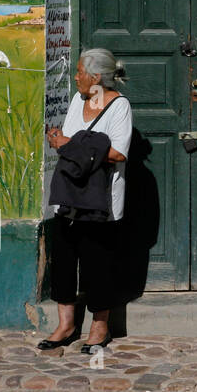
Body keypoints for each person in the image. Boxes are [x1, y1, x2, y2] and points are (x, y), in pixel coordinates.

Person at [38, 49, 133, 354]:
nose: (75, 76)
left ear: (95, 78)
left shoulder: (119, 106)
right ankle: (65, 325)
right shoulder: (79, 102)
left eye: (80, 72)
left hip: (99, 199)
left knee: (97, 262)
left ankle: (99, 327)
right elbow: (68, 140)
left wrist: (72, 145)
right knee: (64, 260)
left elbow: (118, 152)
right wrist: (61, 141)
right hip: (69, 195)